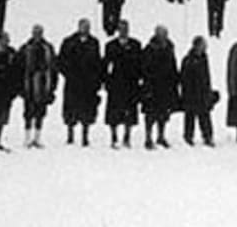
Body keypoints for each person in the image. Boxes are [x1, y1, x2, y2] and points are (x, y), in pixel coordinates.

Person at [58, 18, 101, 146]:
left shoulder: (94, 42)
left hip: (88, 83)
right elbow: (61, 60)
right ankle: (70, 135)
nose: (85, 29)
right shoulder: (69, 42)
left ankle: (85, 136)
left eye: (87, 27)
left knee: (87, 109)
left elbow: (98, 62)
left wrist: (96, 78)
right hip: (73, 81)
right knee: (71, 109)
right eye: (83, 26)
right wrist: (68, 73)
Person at [103, 19, 144, 148]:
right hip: (116, 82)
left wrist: (140, 79)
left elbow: (140, 64)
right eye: (121, 29)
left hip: (131, 82)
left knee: (130, 111)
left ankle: (127, 136)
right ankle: (114, 136)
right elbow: (105, 64)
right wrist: (105, 80)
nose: (123, 31)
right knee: (114, 112)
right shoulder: (111, 45)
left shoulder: (136, 44)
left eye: (125, 29)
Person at [140, 25, 180, 149]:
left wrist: (175, 81)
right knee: (150, 114)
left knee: (163, 113)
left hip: (166, 86)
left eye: (165, 34)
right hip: (152, 85)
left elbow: (173, 65)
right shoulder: (149, 49)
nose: (163, 37)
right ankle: (148, 137)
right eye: (161, 34)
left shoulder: (169, 48)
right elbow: (144, 67)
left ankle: (161, 136)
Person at [19, 24, 57, 148]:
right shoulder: (25, 48)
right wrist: (20, 87)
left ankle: (37, 137)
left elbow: (53, 68)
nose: (37, 35)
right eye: (35, 32)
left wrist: (52, 87)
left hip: (43, 84)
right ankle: (27, 137)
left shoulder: (48, 48)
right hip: (28, 83)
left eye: (39, 32)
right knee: (28, 112)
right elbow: (19, 67)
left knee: (41, 111)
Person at [180, 35, 216, 146]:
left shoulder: (204, 58)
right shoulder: (188, 60)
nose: (205, 48)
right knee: (190, 116)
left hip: (203, 92)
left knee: (205, 116)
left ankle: (207, 136)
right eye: (203, 45)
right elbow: (184, 78)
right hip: (191, 93)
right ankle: (188, 136)